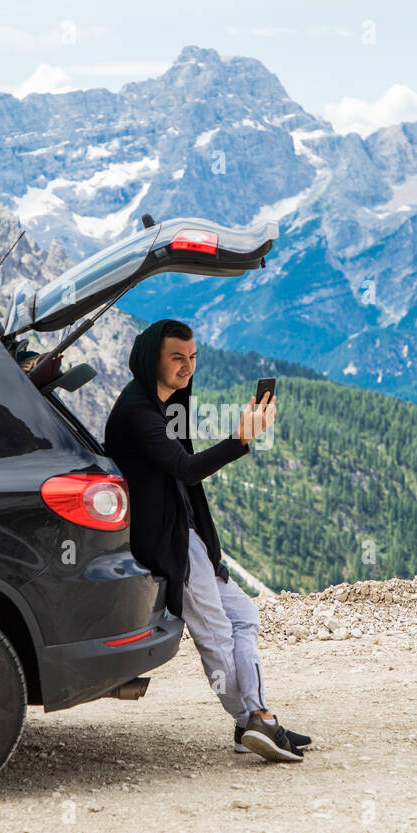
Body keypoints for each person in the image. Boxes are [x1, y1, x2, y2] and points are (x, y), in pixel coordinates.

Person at [103, 319, 311, 762]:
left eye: (193, 357)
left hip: (190, 534)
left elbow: (183, 471)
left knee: (244, 614)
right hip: (167, 540)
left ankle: (253, 720)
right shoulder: (137, 412)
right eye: (177, 357)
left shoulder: (167, 403)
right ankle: (258, 719)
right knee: (215, 631)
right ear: (151, 359)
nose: (187, 366)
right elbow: (185, 468)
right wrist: (241, 438)